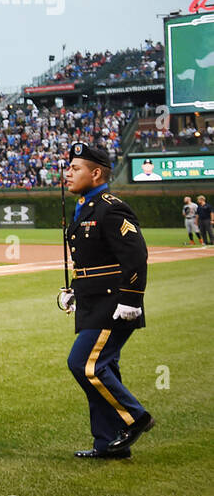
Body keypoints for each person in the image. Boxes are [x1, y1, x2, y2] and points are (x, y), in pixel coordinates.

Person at [61, 142, 154, 459]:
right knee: (104, 367)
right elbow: (91, 258)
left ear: (96, 172)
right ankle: (108, 443)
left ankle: (135, 417)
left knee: (84, 364)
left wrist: (131, 299)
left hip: (113, 303)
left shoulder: (110, 207)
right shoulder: (86, 206)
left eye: (75, 168)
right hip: (92, 301)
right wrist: (75, 289)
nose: (68, 173)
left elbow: (136, 255)